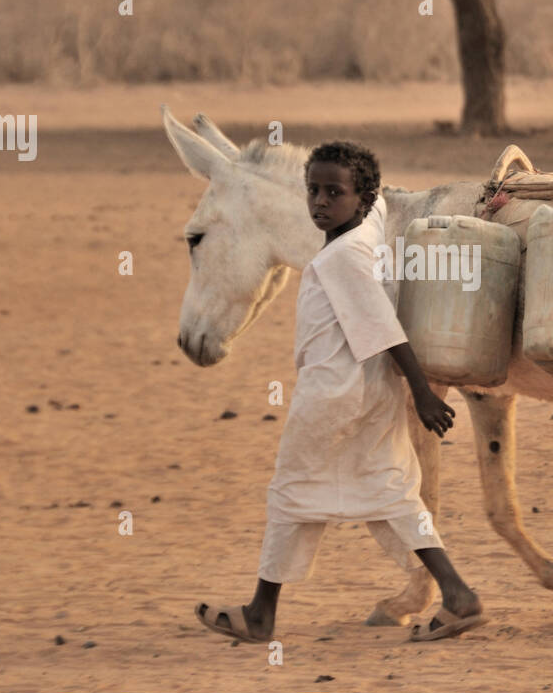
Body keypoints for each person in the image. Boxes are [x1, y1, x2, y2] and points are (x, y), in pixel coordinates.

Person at [196, 140, 486, 643]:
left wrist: (423, 393)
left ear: (361, 198)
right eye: (313, 191)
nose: (320, 203)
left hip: (331, 395)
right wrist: (368, 198)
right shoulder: (365, 230)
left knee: (290, 495)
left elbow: (381, 326)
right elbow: (379, 213)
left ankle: (261, 613)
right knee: (393, 491)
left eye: (334, 192)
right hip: (374, 394)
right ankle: (458, 596)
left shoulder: (341, 259)